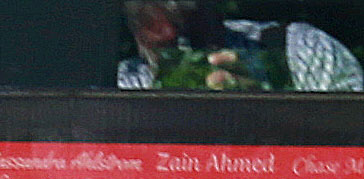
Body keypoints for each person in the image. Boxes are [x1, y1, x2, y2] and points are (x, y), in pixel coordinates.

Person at [117, 0, 364, 89]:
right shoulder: (121, 85)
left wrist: (268, 108)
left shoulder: (301, 51)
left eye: (187, 18)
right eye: (149, 16)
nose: (173, 35)